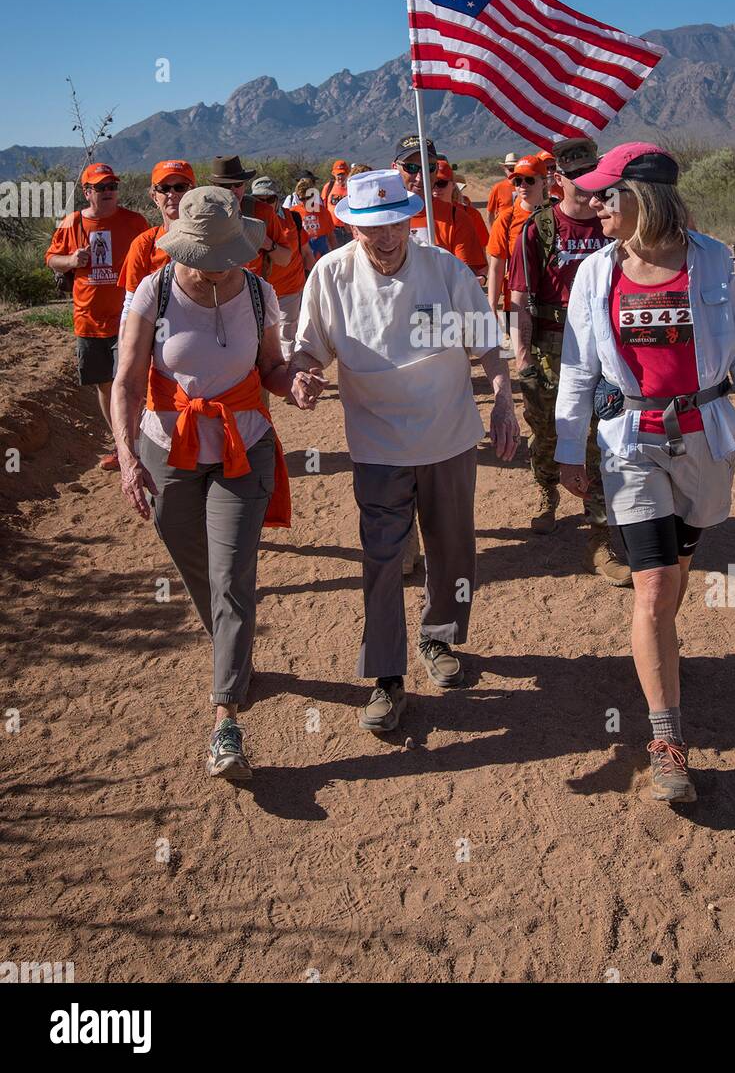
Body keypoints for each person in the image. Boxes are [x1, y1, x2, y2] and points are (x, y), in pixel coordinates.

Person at [556, 142, 735, 803]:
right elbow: (577, 366)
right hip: (631, 441)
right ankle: (667, 740)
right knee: (652, 584)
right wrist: (571, 445)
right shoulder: (596, 274)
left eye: (607, 194)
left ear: (644, 198)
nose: (594, 204)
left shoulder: (717, 262)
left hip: (705, 441)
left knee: (678, 571)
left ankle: (662, 653)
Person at [290, 169, 520, 734]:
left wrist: (505, 401)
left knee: (453, 550)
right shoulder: (330, 275)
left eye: (395, 223)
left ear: (409, 219)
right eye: (372, 228)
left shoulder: (443, 269)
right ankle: (387, 676)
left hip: (448, 435)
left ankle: (439, 639)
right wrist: (302, 376)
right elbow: (307, 350)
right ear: (351, 227)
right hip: (376, 443)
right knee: (383, 557)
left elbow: (486, 341)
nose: (386, 237)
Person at [111, 187, 293, 783]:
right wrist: (128, 457)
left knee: (232, 574)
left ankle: (225, 723)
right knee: (194, 562)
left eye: (224, 253)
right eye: (203, 254)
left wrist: (294, 384)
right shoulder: (154, 292)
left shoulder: (259, 292)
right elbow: (127, 382)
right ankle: (233, 654)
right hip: (168, 448)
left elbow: (272, 367)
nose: (215, 266)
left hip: (244, 446)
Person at [508, 138, 627, 583]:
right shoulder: (539, 228)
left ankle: (600, 539)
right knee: (546, 431)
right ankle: (546, 491)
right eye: (573, 174)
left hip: (605, 344)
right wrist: (522, 358)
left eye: (590, 172)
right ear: (558, 179)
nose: (583, 182)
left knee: (599, 437)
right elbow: (520, 299)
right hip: (553, 345)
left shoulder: (613, 222)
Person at [45, 163, 149, 470]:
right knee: (105, 385)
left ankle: (139, 443)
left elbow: (152, 256)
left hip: (129, 319)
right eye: (101, 187)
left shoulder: (134, 221)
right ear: (87, 192)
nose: (108, 192)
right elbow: (51, 258)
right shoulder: (71, 223)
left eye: (112, 186)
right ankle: (122, 446)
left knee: (130, 383)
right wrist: (71, 259)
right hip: (88, 319)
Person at [392, 136, 487, 277]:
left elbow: (464, 276)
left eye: (428, 167)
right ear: (395, 168)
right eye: (411, 167)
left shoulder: (456, 218)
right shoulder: (382, 218)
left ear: (436, 169)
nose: (420, 176)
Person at [118, 160, 197, 325]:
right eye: (164, 188)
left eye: (180, 187)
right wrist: (126, 346)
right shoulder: (144, 244)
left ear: (193, 192)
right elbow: (131, 305)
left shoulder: (212, 238)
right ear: (154, 196)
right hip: (158, 337)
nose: (172, 194)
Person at [249, 175, 315, 360]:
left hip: (289, 289)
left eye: (268, 199)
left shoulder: (293, 218)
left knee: (287, 339)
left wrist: (312, 282)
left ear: (277, 199)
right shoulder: (246, 222)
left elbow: (306, 252)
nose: (264, 204)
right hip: (257, 292)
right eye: (258, 200)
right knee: (258, 341)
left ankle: (288, 384)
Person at [208, 155, 291, 282]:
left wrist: (266, 243)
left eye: (238, 184)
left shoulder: (262, 212)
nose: (233, 191)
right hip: (213, 290)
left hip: (250, 290)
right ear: (214, 187)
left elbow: (285, 259)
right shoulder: (203, 213)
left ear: (244, 184)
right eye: (225, 186)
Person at [486, 155, 547, 327]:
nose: (523, 186)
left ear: (543, 182)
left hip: (552, 303)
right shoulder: (507, 218)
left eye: (529, 180)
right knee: (520, 353)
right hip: (515, 303)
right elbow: (496, 267)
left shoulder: (556, 214)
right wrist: (491, 304)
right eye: (518, 181)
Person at [433, 160, 489, 250]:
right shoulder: (418, 215)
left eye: (441, 184)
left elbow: (481, 251)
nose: (435, 189)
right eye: (431, 184)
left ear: (454, 185)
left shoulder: (471, 214)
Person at [291, 174, 338, 259]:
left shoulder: (323, 211)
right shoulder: (293, 212)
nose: (305, 202)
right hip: (302, 256)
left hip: (321, 255)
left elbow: (331, 237)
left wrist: (337, 256)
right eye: (302, 199)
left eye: (308, 198)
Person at [322, 159, 352, 246]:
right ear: (334, 174)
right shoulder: (328, 187)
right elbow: (323, 208)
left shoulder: (351, 187)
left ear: (347, 174)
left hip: (349, 229)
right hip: (333, 229)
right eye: (338, 174)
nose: (340, 177)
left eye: (343, 174)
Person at [487, 152, 519, 225]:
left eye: (516, 169)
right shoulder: (498, 188)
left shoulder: (527, 186)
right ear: (505, 170)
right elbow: (490, 213)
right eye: (511, 169)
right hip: (503, 229)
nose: (514, 172)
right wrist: (493, 232)